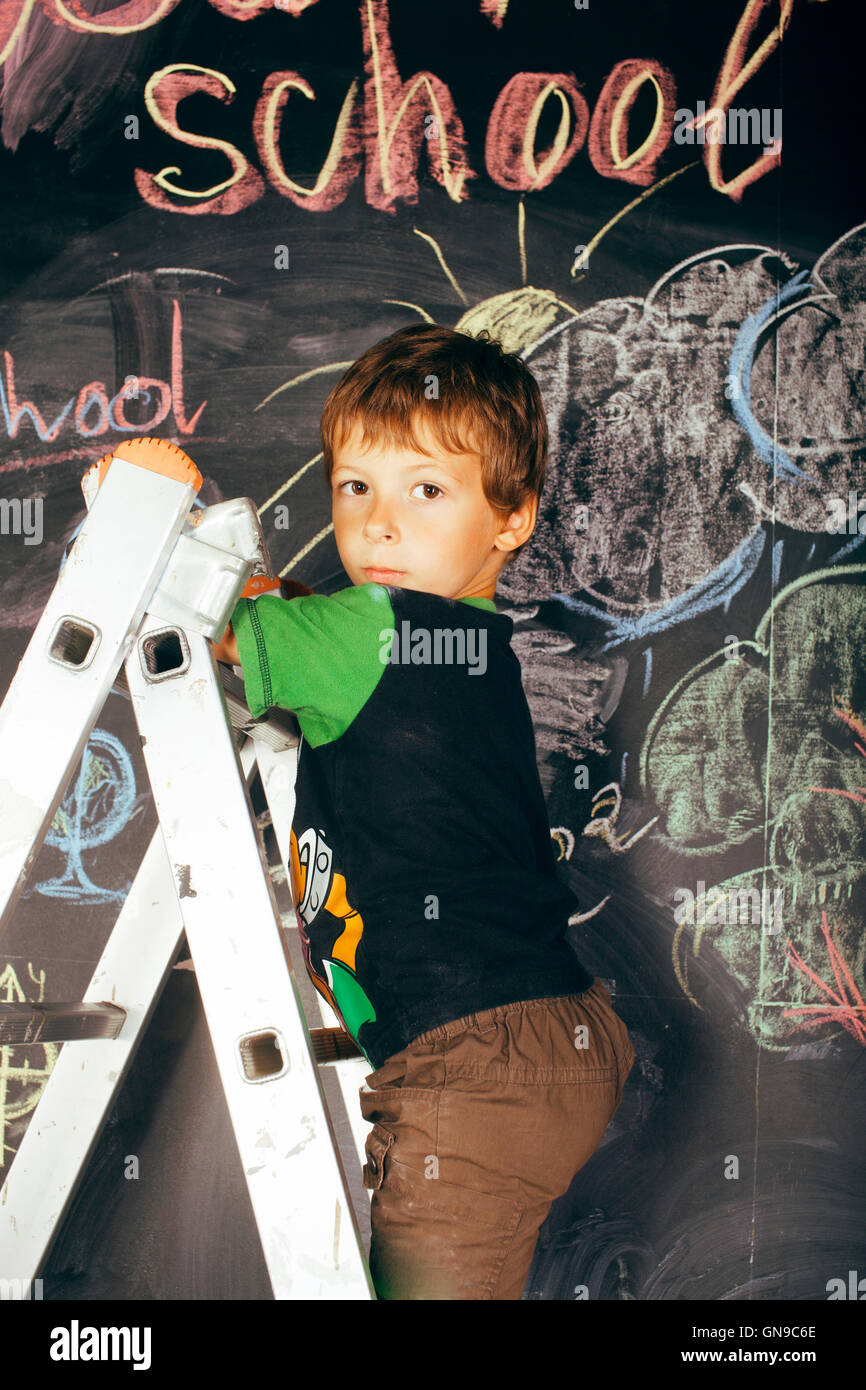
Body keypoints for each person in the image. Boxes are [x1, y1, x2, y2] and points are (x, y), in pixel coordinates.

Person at [212, 322, 635, 1300]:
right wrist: (282, 599)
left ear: (512, 516)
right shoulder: (460, 640)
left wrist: (130, 509)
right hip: (541, 1033)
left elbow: (221, 625)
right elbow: (300, 617)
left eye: (425, 489)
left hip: (470, 1056)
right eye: (354, 486)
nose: (380, 522)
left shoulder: (373, 630)